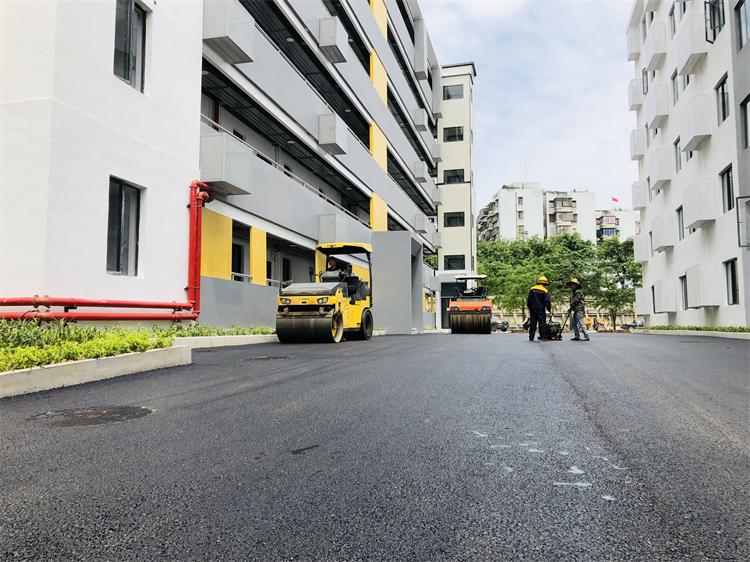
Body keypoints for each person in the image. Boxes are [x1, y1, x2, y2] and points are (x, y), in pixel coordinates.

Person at [527, 276, 552, 341]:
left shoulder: (532, 289)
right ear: (545, 283)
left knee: (533, 323)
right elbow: (547, 301)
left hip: (533, 309)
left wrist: (529, 307)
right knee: (542, 323)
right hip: (541, 309)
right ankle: (543, 337)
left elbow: (529, 299)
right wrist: (549, 309)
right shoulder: (545, 290)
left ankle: (531, 337)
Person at [567, 278, 590, 342]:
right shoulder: (574, 292)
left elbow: (576, 301)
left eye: (573, 285)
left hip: (579, 309)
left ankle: (586, 336)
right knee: (574, 323)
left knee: (580, 322)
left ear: (576, 285)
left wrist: (571, 308)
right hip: (576, 309)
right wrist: (571, 308)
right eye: (571, 285)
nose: (572, 286)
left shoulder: (578, 292)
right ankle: (577, 336)